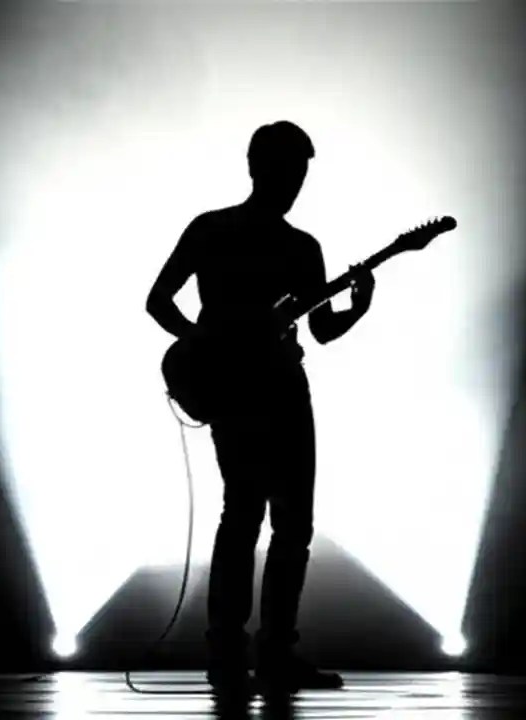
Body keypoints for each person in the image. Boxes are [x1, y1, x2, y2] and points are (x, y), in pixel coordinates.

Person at [146, 121, 375, 695]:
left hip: (277, 388)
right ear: (256, 167)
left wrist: (356, 308)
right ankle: (240, 653)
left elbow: (319, 329)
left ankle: (260, 653)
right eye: (286, 170)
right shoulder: (216, 230)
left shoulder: (297, 246)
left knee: (282, 522)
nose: (294, 183)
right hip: (249, 390)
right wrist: (209, 343)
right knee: (250, 515)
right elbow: (158, 300)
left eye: (300, 173)